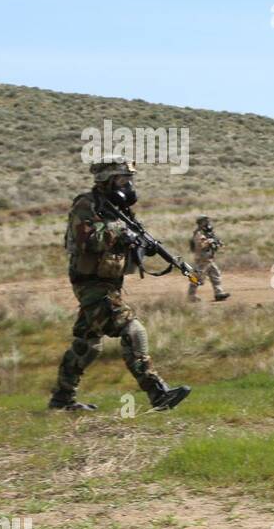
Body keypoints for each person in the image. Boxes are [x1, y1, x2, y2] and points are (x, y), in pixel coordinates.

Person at [48, 158, 191, 412]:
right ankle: (158, 393)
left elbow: (127, 241)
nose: (129, 185)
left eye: (130, 179)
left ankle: (61, 400)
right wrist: (121, 233)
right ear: (108, 180)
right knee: (133, 331)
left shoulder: (119, 209)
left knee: (87, 345)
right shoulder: (86, 204)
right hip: (90, 283)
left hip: (109, 284)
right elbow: (86, 238)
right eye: (124, 179)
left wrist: (139, 245)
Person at [187, 215, 230, 302]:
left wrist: (217, 243)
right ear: (201, 223)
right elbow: (201, 245)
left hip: (208, 259)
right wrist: (210, 242)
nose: (208, 223)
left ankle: (219, 293)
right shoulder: (199, 233)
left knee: (215, 275)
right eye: (205, 221)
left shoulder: (207, 233)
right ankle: (191, 296)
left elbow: (213, 242)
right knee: (197, 277)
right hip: (202, 260)